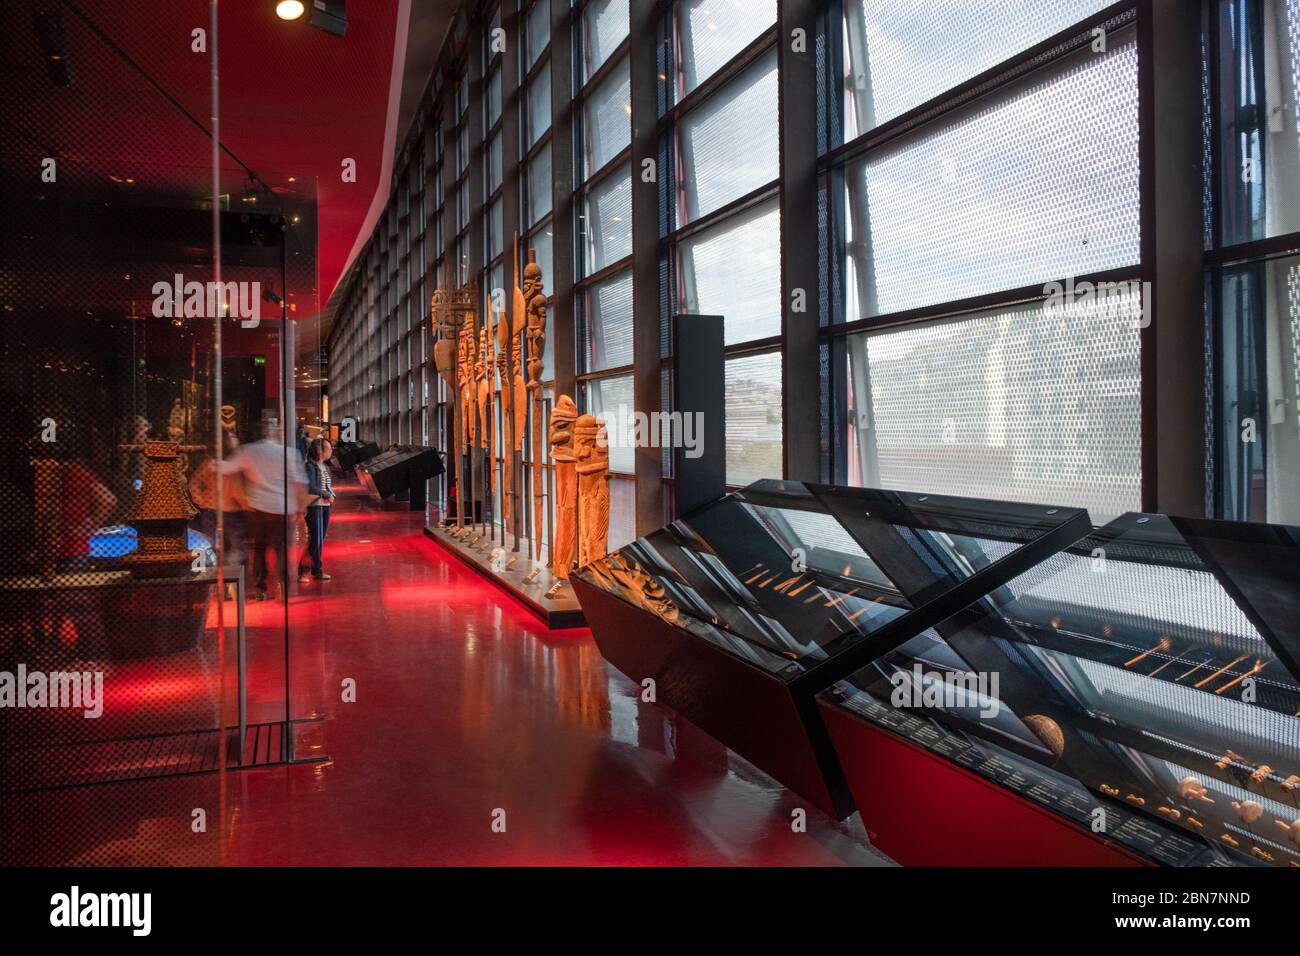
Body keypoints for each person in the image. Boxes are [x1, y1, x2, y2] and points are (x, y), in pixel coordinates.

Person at [226, 417, 305, 601]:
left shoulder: (249, 451)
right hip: (281, 508)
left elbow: (228, 467)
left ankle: (260, 588)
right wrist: (300, 508)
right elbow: (299, 483)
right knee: (281, 550)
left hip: (257, 509)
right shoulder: (289, 453)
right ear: (277, 431)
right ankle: (283, 587)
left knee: (260, 549)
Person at [298, 437, 335, 583]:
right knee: (316, 538)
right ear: (320, 451)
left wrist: (331, 494)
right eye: (329, 448)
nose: (331, 450)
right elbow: (310, 487)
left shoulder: (325, 467)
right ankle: (303, 570)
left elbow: (327, 486)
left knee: (320, 538)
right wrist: (326, 494)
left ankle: (317, 569)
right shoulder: (310, 467)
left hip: (325, 506)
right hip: (315, 506)